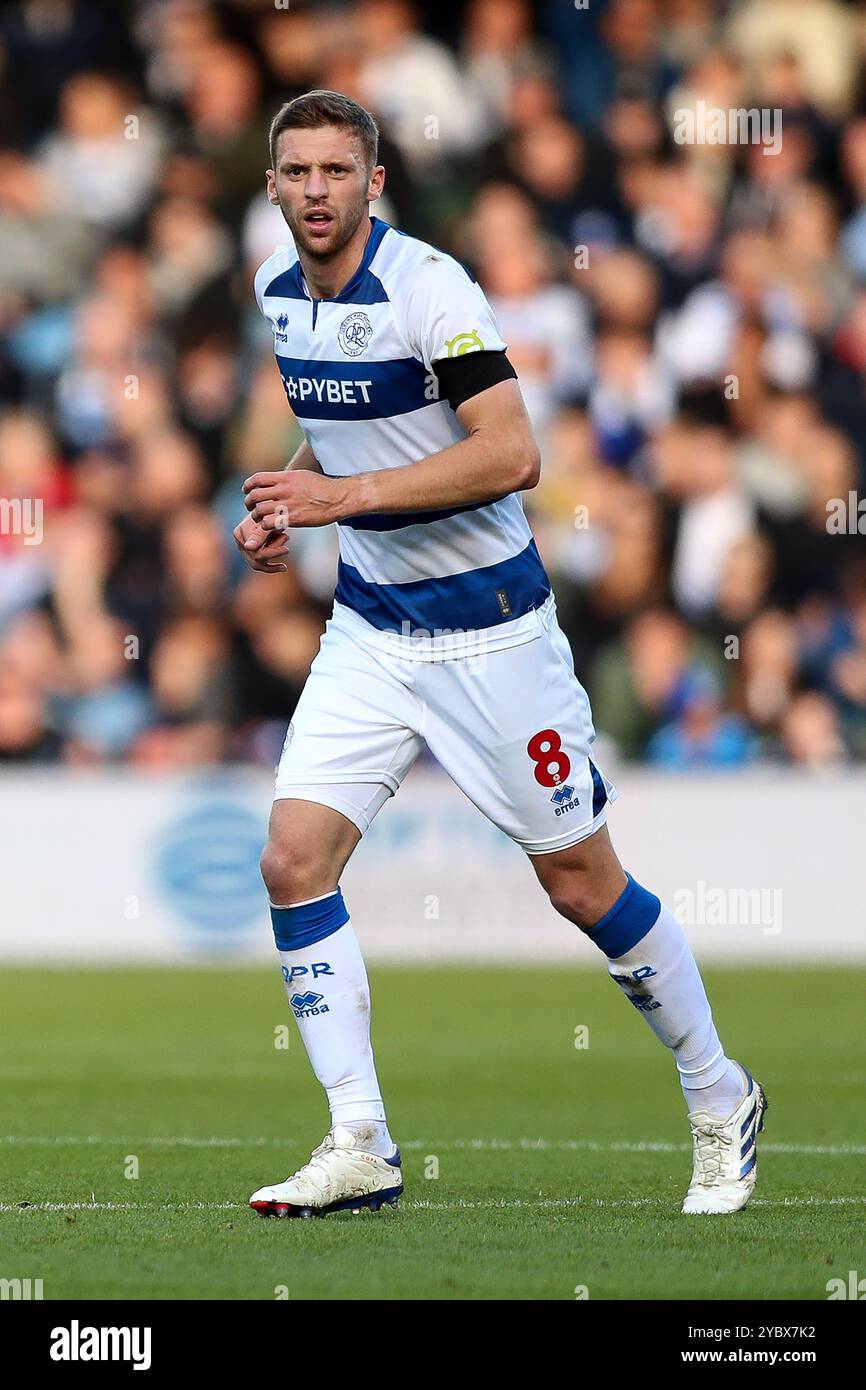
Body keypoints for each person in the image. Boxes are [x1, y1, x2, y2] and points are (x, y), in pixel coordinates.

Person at [234, 90, 766, 1219]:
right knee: (291, 861)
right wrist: (291, 500)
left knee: (581, 884)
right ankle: (360, 1142)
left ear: (374, 183)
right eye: (296, 172)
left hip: (493, 637)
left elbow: (513, 452)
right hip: (373, 630)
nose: (316, 190)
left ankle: (719, 1093)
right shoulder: (277, 295)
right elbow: (338, 432)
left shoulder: (430, 287)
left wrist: (347, 497)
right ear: (272, 186)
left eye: (337, 170)